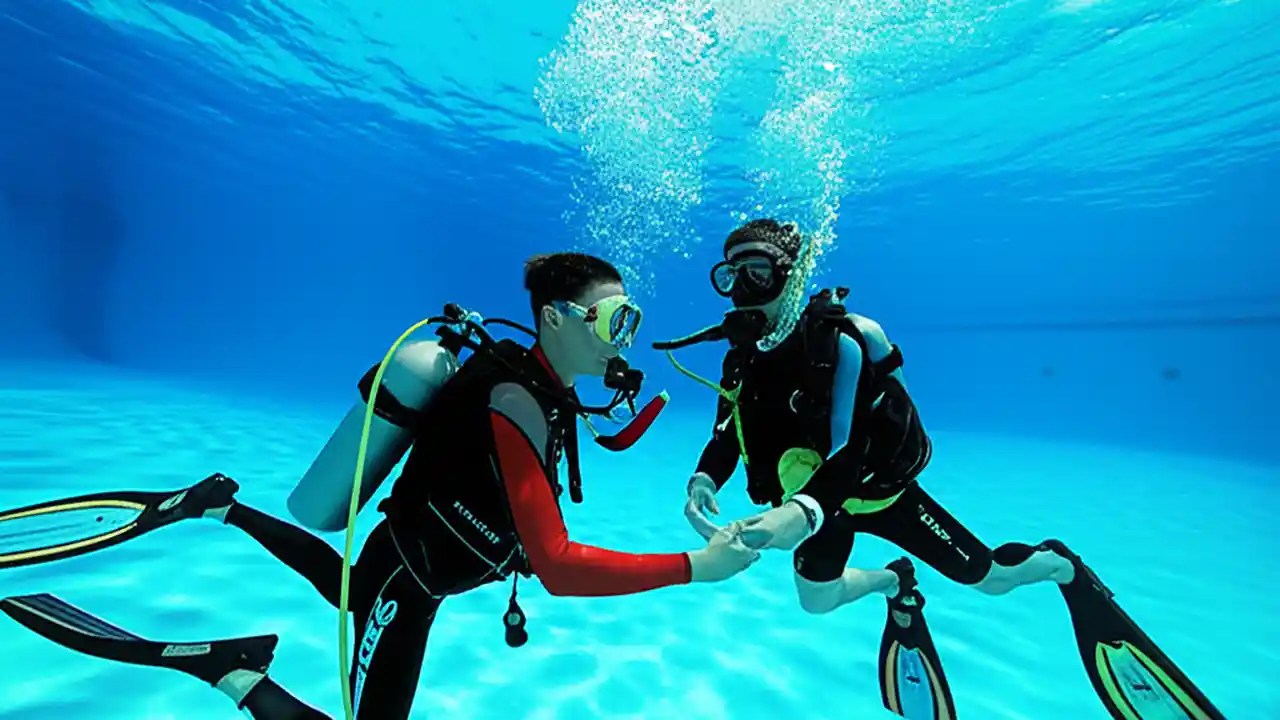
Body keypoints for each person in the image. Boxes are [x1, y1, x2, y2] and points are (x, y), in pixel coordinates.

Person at [0, 252, 760, 720]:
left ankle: (222, 508)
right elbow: (557, 566)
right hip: (414, 576)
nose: (623, 340)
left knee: (349, 590)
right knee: (363, 615)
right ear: (557, 319)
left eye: (629, 322)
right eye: (614, 320)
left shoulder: (539, 387)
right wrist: (697, 567)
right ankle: (226, 670)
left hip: (410, 554)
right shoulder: (515, 398)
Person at [653, 219, 1225, 720]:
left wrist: (795, 516)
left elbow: (847, 454)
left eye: (756, 273)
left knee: (992, 581)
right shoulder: (741, 359)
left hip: (877, 495)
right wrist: (704, 480)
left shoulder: (841, 342)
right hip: (818, 509)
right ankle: (894, 582)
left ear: (792, 275)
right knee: (816, 601)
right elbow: (727, 434)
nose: (740, 292)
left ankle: (1059, 565)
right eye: (729, 276)